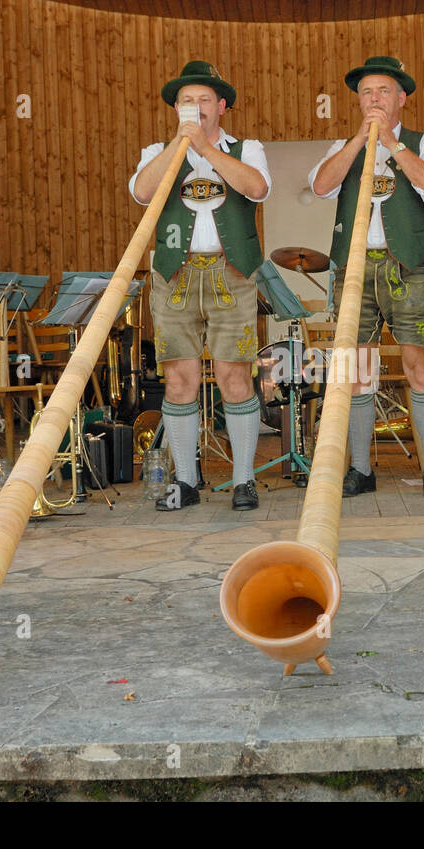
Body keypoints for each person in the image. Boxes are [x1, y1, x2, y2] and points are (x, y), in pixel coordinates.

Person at [308, 56, 424, 498]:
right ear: (358, 100)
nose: (374, 98)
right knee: (357, 369)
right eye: (367, 92)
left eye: (383, 91)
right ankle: (360, 469)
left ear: (401, 98)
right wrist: (359, 140)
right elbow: (319, 186)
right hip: (353, 268)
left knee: (419, 364)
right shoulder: (343, 144)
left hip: (406, 266)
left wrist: (390, 142)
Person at [129, 60, 271, 511]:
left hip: (232, 272)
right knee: (178, 379)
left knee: (235, 375)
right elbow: (142, 193)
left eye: (205, 100)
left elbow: (257, 188)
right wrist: (179, 145)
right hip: (174, 272)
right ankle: (185, 482)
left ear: (222, 106)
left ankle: (243, 480)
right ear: (176, 108)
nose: (196, 107)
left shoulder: (246, 148)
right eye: (188, 100)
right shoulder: (159, 149)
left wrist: (206, 150)